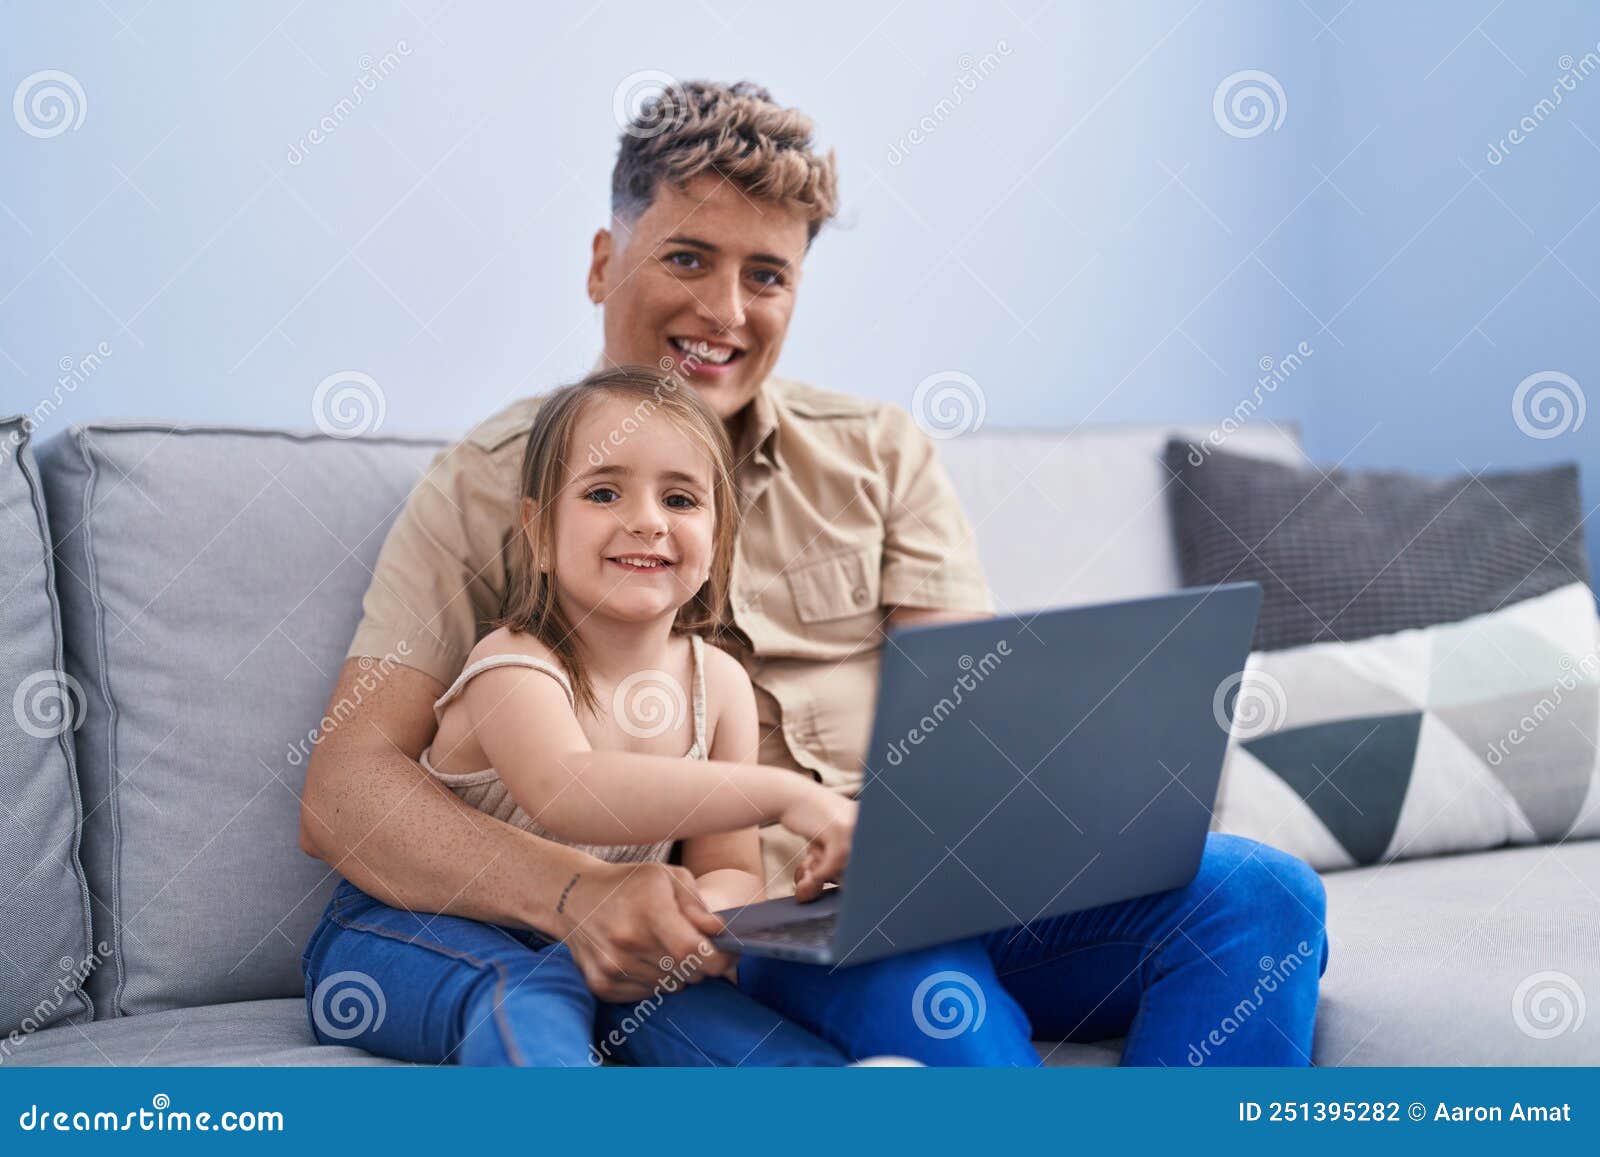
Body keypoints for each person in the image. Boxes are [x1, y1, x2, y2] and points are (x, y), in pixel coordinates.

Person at [299, 79, 1329, 1067]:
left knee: (1263, 893)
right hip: (761, 932)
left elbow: (971, 727)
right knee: (941, 1003)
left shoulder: (881, 453)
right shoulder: (494, 484)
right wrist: (573, 892)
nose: (726, 311)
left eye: (766, 275)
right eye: (689, 258)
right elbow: (346, 787)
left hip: (925, 885)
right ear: (602, 262)